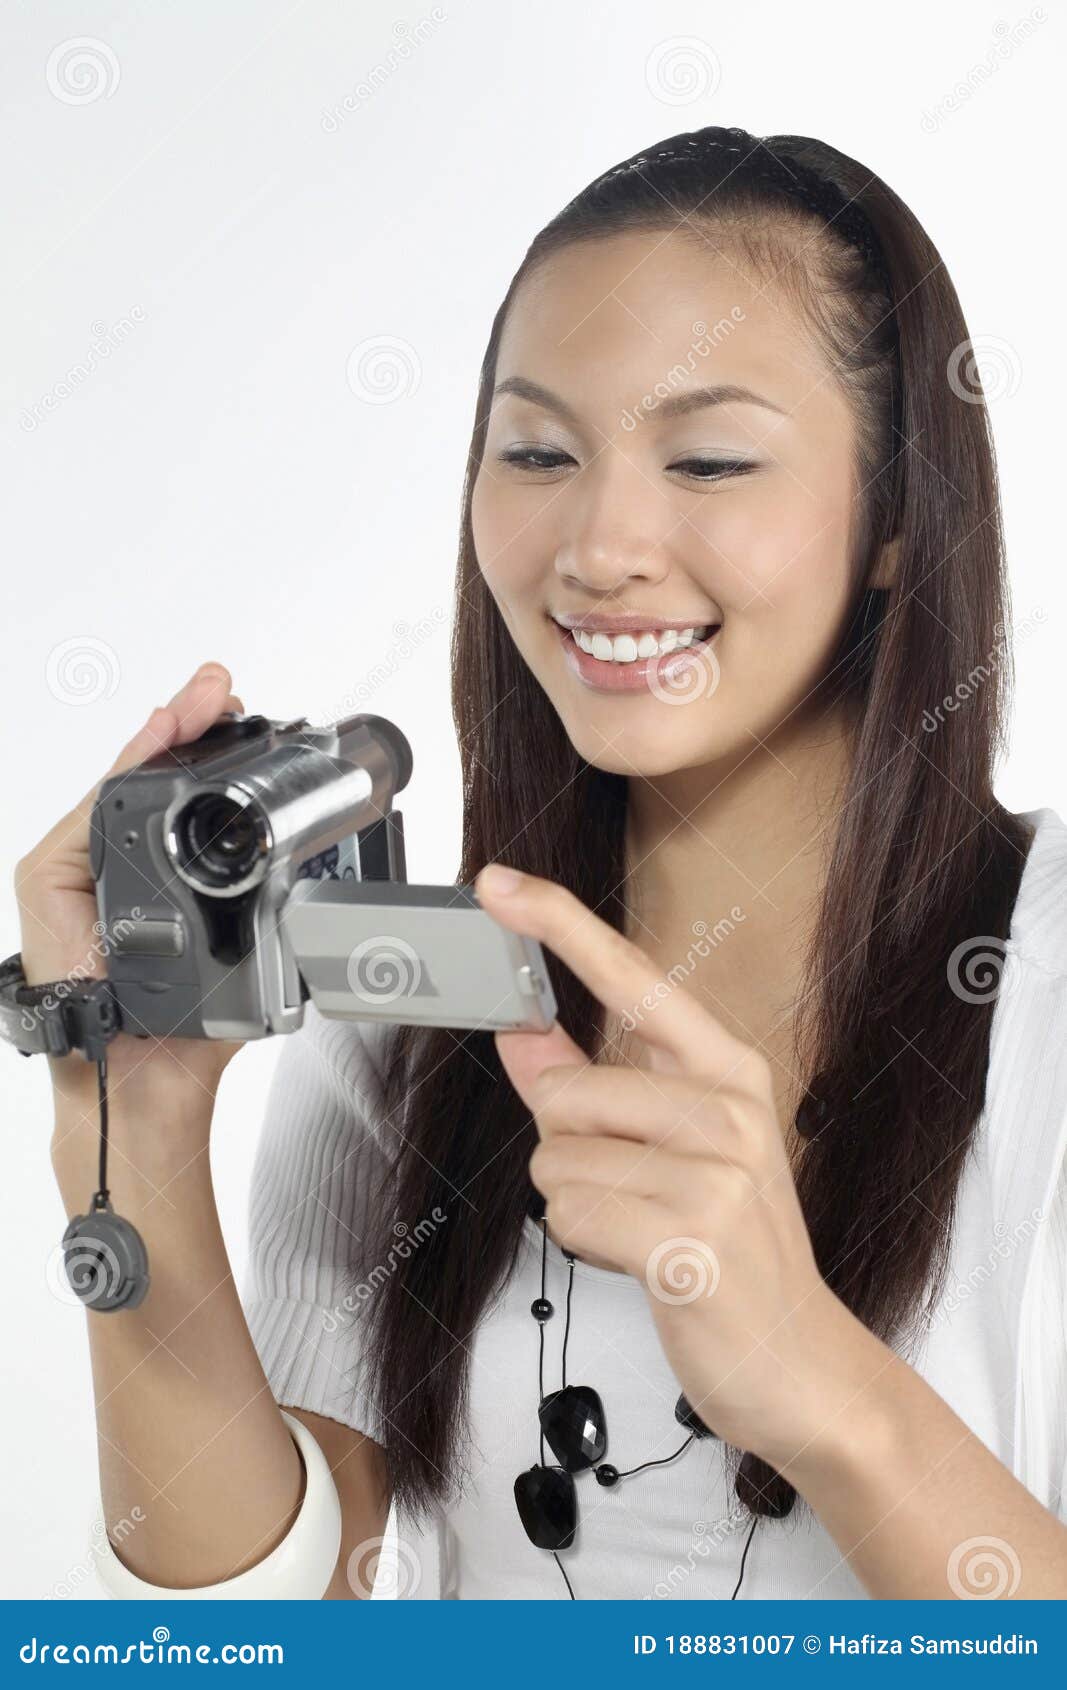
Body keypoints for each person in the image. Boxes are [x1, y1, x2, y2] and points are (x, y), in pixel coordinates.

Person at [15, 124, 1067, 1601]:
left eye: (706, 458)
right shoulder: (405, 1002)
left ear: (897, 517)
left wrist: (812, 1374)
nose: (599, 543)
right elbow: (282, 1630)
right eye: (537, 453)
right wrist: (125, 1148)